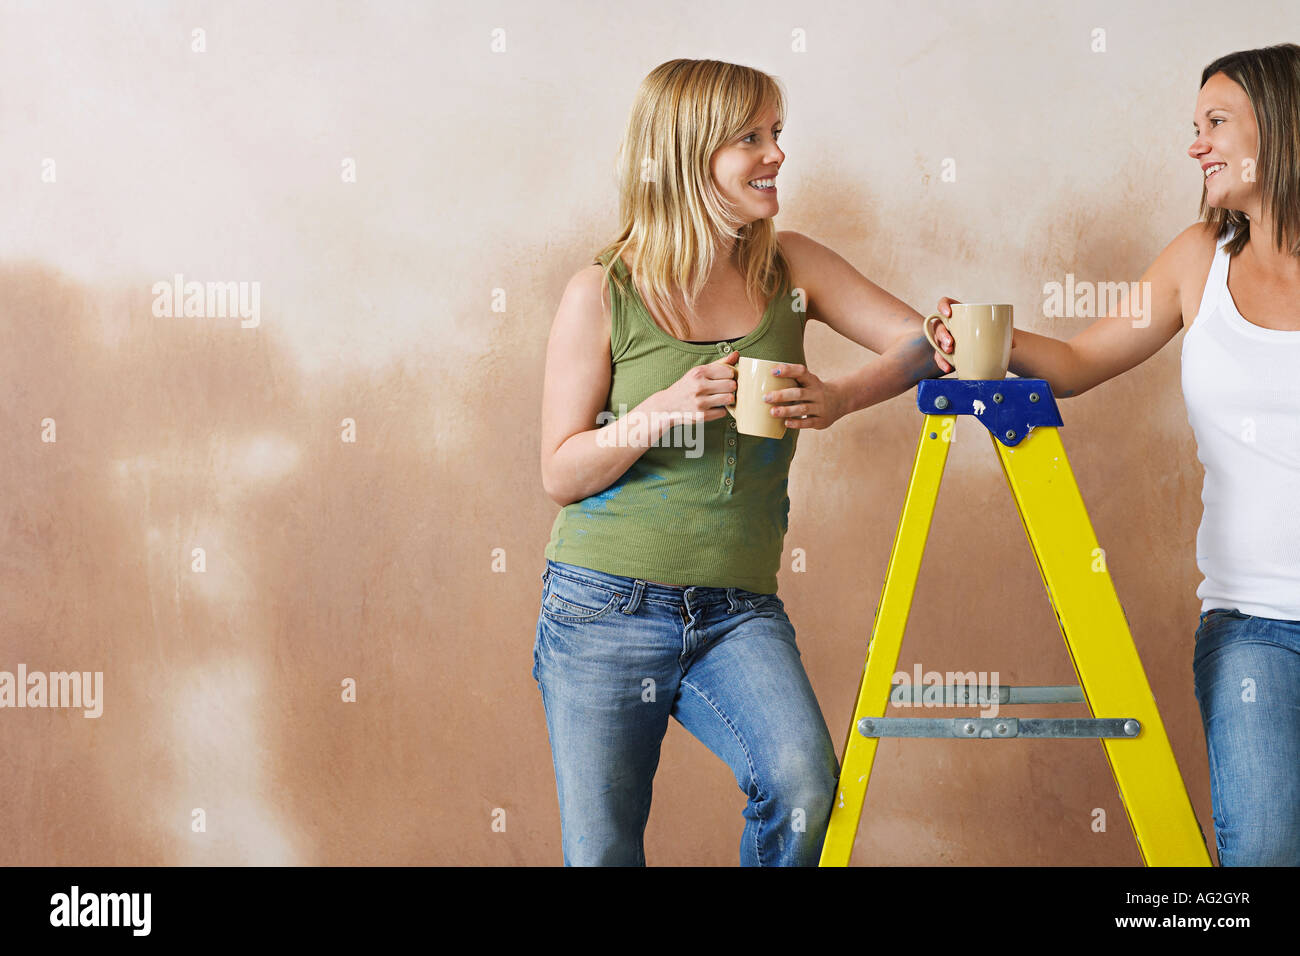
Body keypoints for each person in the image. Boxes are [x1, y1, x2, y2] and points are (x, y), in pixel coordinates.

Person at [535, 58, 946, 866]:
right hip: (601, 608)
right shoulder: (602, 291)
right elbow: (560, 470)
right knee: (603, 850)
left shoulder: (789, 266)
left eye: (777, 134)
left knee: (802, 785)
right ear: (690, 155)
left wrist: (841, 396)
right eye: (750, 138)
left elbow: (925, 345)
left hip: (735, 610)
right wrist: (661, 411)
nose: (777, 155)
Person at [930, 43, 1300, 866]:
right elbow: (1074, 365)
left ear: (1280, 128)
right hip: (1255, 629)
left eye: (1215, 123)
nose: (1195, 144)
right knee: (1269, 852)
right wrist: (983, 335)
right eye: (1194, 126)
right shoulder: (1199, 260)